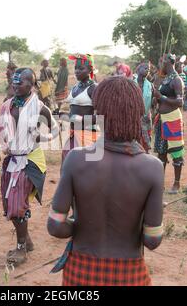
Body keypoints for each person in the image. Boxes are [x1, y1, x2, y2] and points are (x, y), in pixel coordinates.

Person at [48, 75, 163, 286]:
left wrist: (82, 224)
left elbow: (56, 226)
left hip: (80, 273)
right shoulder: (152, 167)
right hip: (129, 275)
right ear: (138, 113)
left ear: (98, 113)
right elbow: (152, 240)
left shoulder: (76, 159)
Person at [0, 68, 59, 266]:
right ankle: (27, 241)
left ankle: (21, 248)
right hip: (12, 161)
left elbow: (56, 130)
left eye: (21, 82)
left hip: (30, 161)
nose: (15, 85)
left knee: (17, 204)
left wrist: (44, 137)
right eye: (14, 82)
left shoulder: (40, 108)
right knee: (10, 204)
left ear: (32, 85)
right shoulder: (7, 106)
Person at [153, 54, 185, 194]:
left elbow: (180, 102)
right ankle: (160, 183)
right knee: (161, 152)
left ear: (167, 62)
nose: (159, 66)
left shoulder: (176, 80)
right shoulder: (165, 79)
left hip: (172, 119)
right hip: (161, 118)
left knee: (176, 152)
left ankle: (176, 183)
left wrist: (162, 97)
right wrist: (157, 100)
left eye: (160, 63)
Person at [62, 54, 98, 164]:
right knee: (66, 166)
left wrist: (79, 119)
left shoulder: (94, 88)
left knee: (86, 172)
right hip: (73, 134)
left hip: (88, 136)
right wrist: (63, 115)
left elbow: (101, 116)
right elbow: (72, 112)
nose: (77, 71)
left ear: (90, 69)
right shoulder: (75, 87)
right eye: (76, 68)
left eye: (81, 68)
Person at [135, 62, 154, 153]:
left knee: (146, 140)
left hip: (146, 116)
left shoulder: (150, 85)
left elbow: (153, 103)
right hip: (134, 116)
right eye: (145, 68)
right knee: (135, 138)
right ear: (138, 70)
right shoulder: (131, 83)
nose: (147, 71)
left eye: (149, 70)